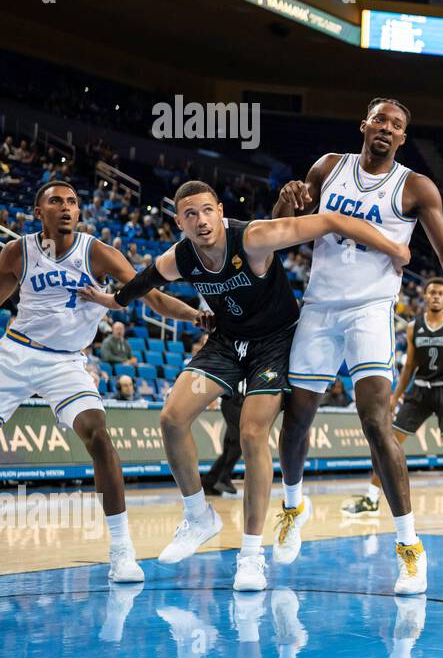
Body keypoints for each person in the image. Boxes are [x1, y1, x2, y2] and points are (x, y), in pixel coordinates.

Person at [81, 179, 409, 592]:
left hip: (273, 345)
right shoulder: (180, 257)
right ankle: (199, 516)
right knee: (172, 417)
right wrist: (113, 301)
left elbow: (329, 219)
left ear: (219, 210)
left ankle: (252, 555)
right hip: (225, 344)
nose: (200, 221)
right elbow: (144, 281)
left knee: (253, 433)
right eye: (189, 215)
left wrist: (393, 248)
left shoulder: (254, 238)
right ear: (179, 222)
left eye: (205, 211)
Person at [273, 98, 443, 596]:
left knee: (375, 421)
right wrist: (288, 196)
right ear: (364, 125)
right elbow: (282, 228)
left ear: (404, 138)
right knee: (296, 417)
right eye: (380, 119)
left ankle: (409, 547)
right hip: (318, 306)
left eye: (397, 124)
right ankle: (293, 507)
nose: (386, 128)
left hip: (370, 310)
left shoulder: (414, 186)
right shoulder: (327, 167)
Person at [0, 180, 205, 583]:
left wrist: (196, 317)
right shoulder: (17, 252)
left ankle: (121, 551)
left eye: (72, 202)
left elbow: (153, 297)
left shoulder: (97, 253)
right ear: (38, 212)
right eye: (55, 201)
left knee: (98, 433)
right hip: (16, 353)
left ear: (79, 212)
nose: (66, 208)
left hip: (66, 363)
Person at [341, 278, 443, 520]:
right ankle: (371, 498)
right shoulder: (413, 326)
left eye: (441, 293)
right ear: (425, 297)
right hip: (419, 390)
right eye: (432, 293)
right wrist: (395, 396)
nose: (437, 296)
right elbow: (409, 366)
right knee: (389, 443)